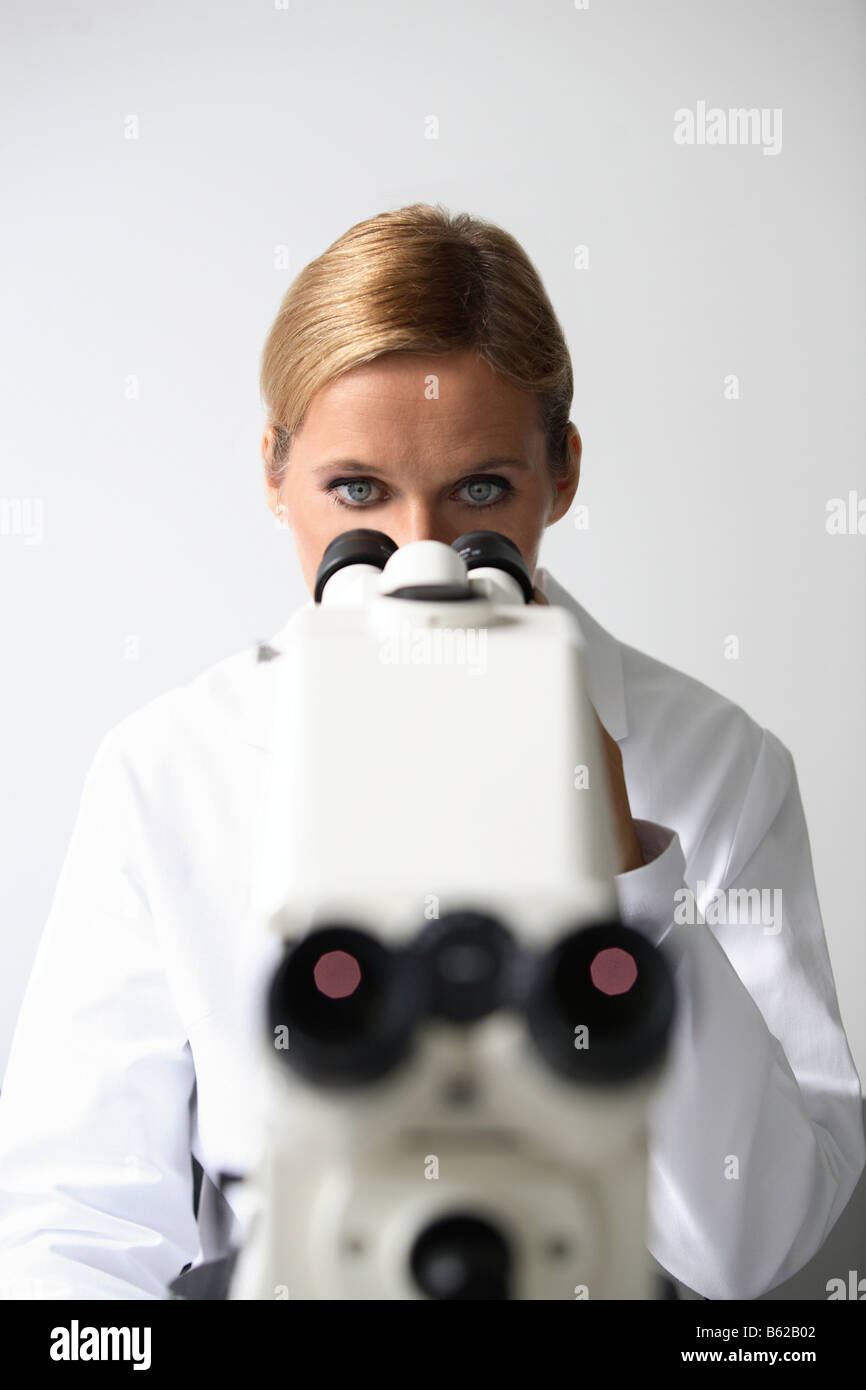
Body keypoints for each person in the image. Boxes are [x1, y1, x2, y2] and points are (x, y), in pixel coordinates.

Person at [0, 203, 862, 1301]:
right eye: (358, 493)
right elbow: (73, 1228)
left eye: (480, 493)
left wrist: (629, 877)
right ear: (273, 471)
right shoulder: (169, 768)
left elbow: (754, 1250)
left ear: (562, 473)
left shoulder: (713, 762)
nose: (422, 556)